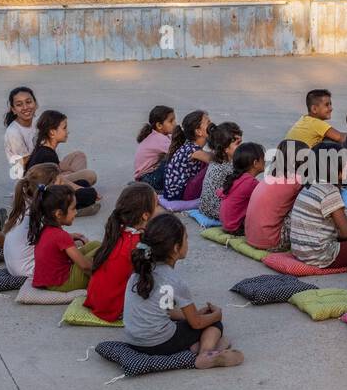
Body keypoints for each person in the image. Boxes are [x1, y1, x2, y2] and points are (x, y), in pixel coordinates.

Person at [122, 214, 244, 368]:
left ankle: (194, 346)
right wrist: (215, 315)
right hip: (158, 344)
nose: (188, 242)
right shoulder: (174, 281)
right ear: (175, 248)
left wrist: (196, 312)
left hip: (133, 341)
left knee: (188, 322)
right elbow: (197, 323)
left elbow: (166, 311)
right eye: (186, 238)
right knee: (215, 325)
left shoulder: (138, 274)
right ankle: (205, 354)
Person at [289, 142, 347, 269]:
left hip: (300, 250)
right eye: (345, 162)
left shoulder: (310, 185)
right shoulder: (329, 191)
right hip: (319, 255)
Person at [84, 182, 158, 321]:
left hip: (96, 301)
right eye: (157, 204)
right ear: (145, 215)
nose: (159, 208)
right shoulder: (140, 244)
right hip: (114, 309)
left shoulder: (117, 232)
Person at [24, 110, 100, 214]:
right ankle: (66, 212)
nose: (67, 131)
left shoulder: (43, 149)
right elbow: (56, 188)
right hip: (43, 199)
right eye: (64, 128)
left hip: (44, 190)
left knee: (84, 183)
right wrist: (81, 190)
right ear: (52, 132)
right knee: (89, 193)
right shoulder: (47, 155)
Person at [30, 185, 101, 291]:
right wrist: (99, 277)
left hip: (48, 281)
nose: (76, 212)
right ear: (58, 214)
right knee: (102, 249)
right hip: (63, 282)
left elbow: (55, 243)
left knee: (95, 244)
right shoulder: (61, 236)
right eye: (73, 209)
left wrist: (70, 237)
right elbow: (85, 266)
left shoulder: (46, 229)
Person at [2, 163, 64, 279]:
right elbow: (55, 244)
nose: (64, 187)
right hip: (29, 270)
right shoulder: (39, 213)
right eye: (61, 184)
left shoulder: (24, 204)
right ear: (49, 189)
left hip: (14, 267)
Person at [245, 140, 306, 252]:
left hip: (251, 236)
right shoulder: (297, 180)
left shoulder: (270, 176)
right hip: (272, 242)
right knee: (307, 206)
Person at [162, 110, 213, 201]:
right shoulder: (193, 151)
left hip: (173, 192)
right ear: (199, 132)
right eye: (208, 122)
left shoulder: (190, 146)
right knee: (212, 167)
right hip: (178, 195)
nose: (212, 124)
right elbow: (217, 160)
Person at [197, 122, 243, 220]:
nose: (241, 147)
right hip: (216, 212)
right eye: (237, 144)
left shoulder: (219, 160)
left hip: (205, 208)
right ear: (225, 148)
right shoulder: (228, 167)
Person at [219, 142, 266, 236]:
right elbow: (266, 198)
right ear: (255, 163)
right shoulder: (250, 183)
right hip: (237, 227)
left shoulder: (237, 178)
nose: (265, 161)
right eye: (263, 159)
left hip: (226, 225)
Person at [134, 104, 176, 192]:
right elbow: (181, 152)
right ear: (159, 125)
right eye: (171, 121)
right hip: (147, 179)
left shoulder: (160, 135)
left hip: (147, 176)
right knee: (173, 162)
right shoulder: (159, 139)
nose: (175, 123)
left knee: (170, 158)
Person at [3, 86, 39, 180]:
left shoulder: (37, 122)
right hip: (28, 177)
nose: (25, 107)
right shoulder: (13, 132)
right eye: (19, 104)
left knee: (78, 155)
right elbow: (25, 162)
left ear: (36, 104)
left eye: (28, 102)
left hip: (43, 166)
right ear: (13, 110)